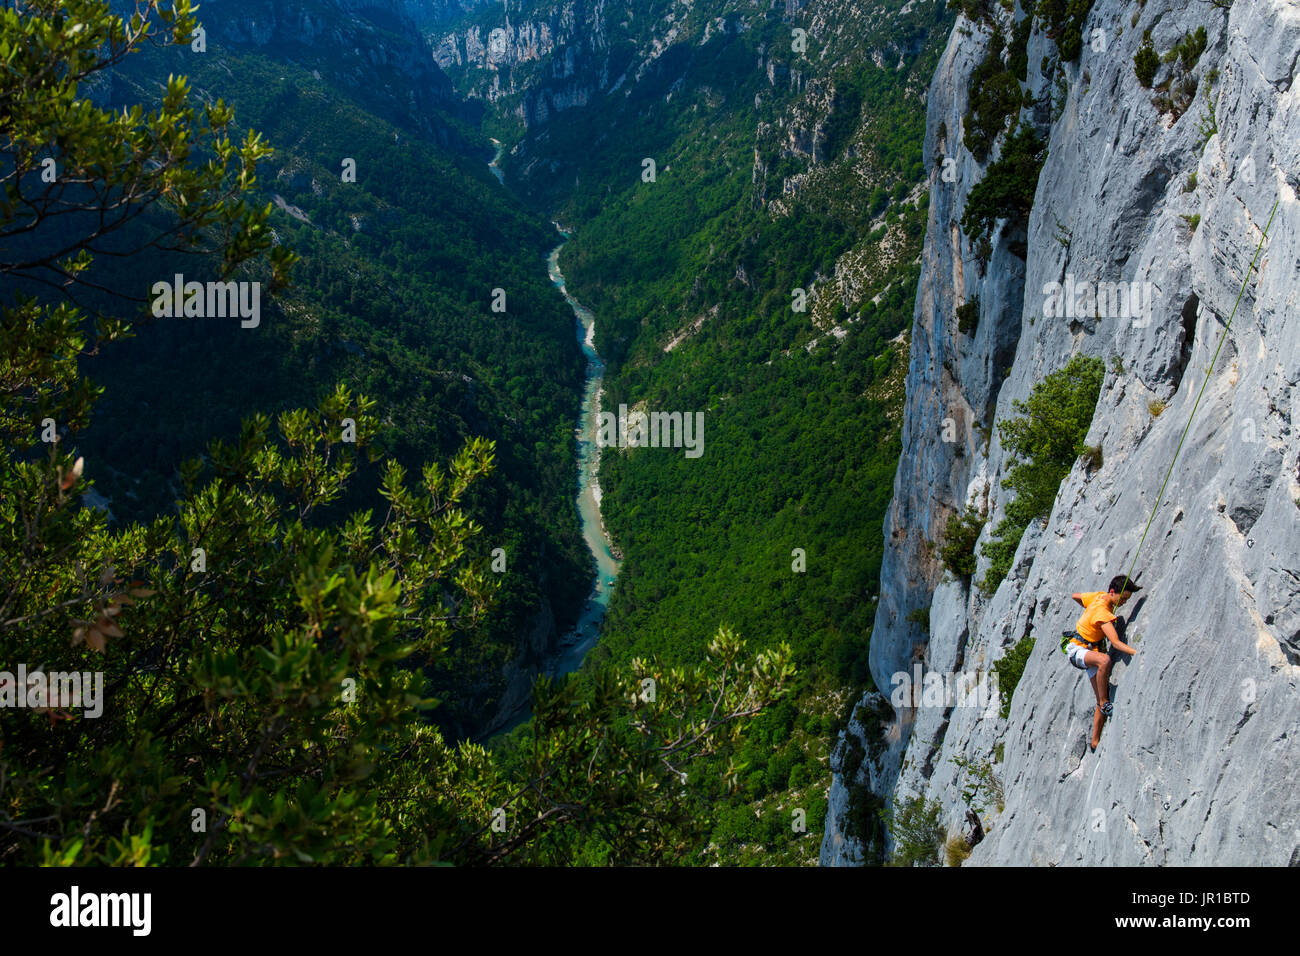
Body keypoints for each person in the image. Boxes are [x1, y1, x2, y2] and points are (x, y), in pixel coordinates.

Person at [1063, 574, 1141, 751]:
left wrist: (1086, 614)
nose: (1124, 603)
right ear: (1113, 592)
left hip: (1089, 650)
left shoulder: (1098, 596)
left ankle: (1095, 742)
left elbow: (1076, 596)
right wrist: (1137, 652)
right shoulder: (1103, 613)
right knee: (1105, 660)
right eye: (1123, 598)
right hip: (1078, 650)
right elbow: (1115, 643)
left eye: (1127, 599)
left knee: (1098, 699)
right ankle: (1106, 702)